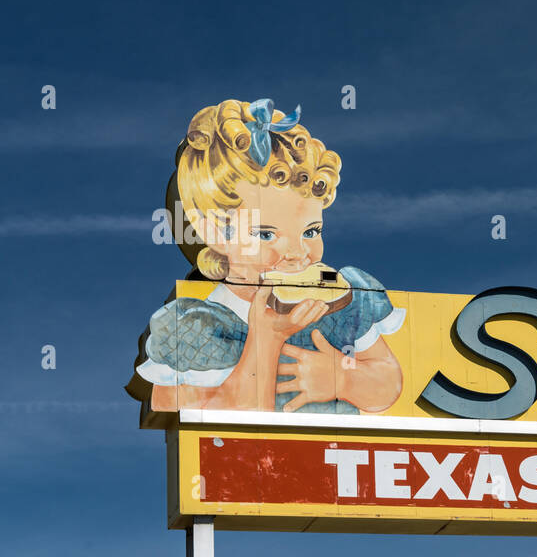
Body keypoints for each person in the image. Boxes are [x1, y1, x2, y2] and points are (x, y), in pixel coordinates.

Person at [131, 99, 404, 414]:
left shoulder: (344, 300)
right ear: (214, 234)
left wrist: (342, 379)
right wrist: (266, 339)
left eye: (311, 231)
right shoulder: (193, 329)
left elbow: (389, 380)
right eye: (266, 234)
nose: (298, 253)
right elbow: (200, 432)